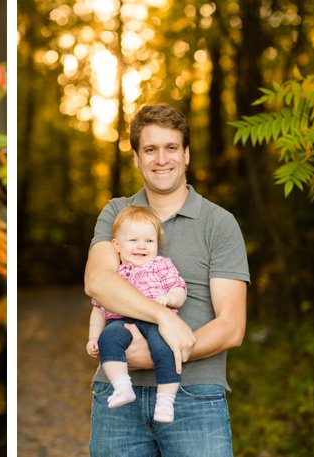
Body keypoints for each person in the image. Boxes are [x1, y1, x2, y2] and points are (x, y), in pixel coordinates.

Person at [84, 104, 249, 455]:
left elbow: (231, 326)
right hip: (117, 394)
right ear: (136, 158)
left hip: (195, 395)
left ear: (186, 154)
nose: (162, 159)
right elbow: (98, 281)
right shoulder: (116, 213)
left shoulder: (219, 223)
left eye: (171, 148)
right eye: (150, 149)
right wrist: (163, 318)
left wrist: (161, 353)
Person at [86, 205, 187, 423]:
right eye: (133, 241)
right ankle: (122, 386)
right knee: (108, 340)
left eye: (149, 241)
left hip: (156, 321)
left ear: (157, 245)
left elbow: (180, 289)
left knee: (165, 349)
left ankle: (166, 400)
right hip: (119, 320)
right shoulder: (114, 274)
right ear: (117, 245)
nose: (141, 246)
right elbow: (98, 308)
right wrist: (93, 337)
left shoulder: (161, 265)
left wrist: (169, 298)